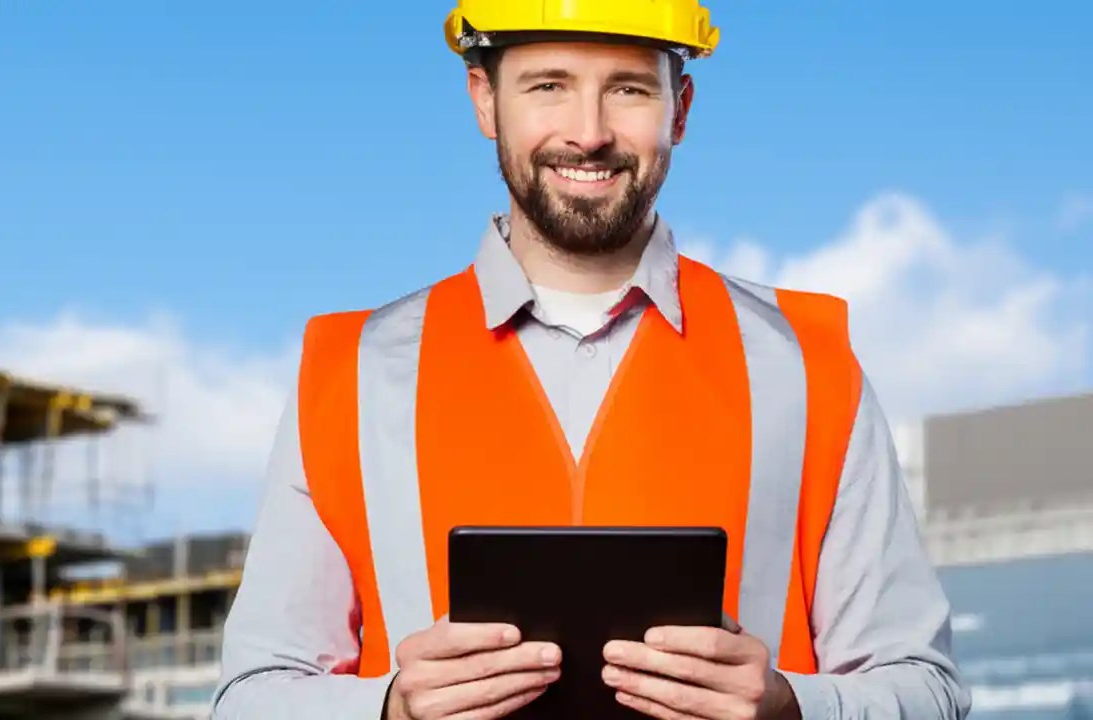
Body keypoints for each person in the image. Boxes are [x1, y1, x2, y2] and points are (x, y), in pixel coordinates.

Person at [211, 1, 971, 718]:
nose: (589, 132)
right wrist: (388, 707)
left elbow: (927, 688)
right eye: (549, 86)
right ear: (484, 100)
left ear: (681, 108)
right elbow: (249, 697)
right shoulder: (350, 374)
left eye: (629, 89)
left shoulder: (807, 364)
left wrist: (790, 706)